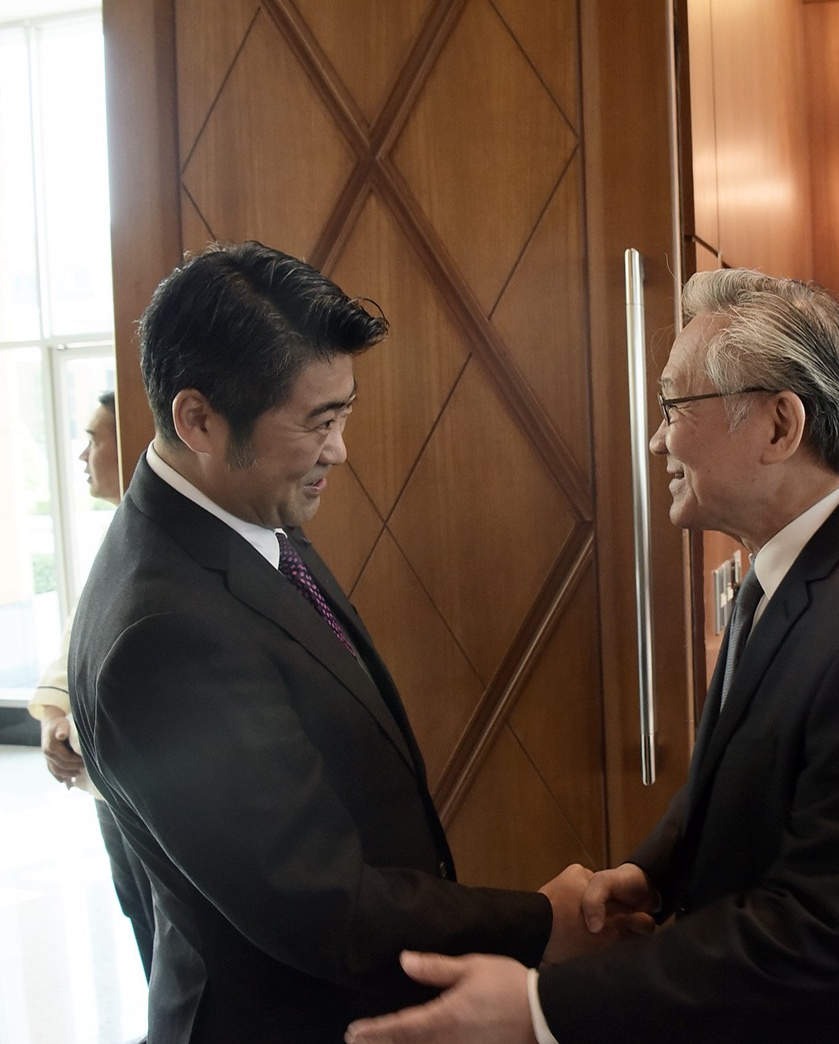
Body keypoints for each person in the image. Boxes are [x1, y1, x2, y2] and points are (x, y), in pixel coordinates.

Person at [347, 268, 839, 1043]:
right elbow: (739, 769)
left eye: (674, 407)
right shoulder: (791, 567)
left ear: (780, 427)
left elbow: (818, 926)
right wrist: (655, 872)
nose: (657, 438)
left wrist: (539, 1008)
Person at [69, 241, 607, 1043]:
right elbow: (316, 902)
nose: (340, 452)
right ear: (198, 418)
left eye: (344, 414)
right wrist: (540, 924)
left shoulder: (240, 517)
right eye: (318, 422)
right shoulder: (167, 633)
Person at [28, 390, 157, 977]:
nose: (83, 456)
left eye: (94, 439)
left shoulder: (155, 543)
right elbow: (75, 642)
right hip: (103, 779)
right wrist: (56, 719)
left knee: (174, 929)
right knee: (140, 914)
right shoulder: (117, 534)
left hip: (147, 781)